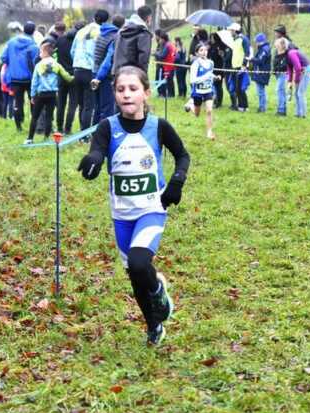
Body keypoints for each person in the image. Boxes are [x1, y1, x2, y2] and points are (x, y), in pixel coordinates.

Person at [76, 66, 190, 345]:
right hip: (122, 215)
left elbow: (183, 156)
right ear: (115, 95)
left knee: (140, 263)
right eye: (120, 89)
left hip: (152, 209)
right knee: (136, 276)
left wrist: (176, 182)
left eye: (133, 89)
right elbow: (98, 150)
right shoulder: (107, 127)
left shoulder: (159, 127)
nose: (126, 94)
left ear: (146, 93)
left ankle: (159, 291)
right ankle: (154, 325)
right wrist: (93, 160)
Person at [25, 42, 73, 144]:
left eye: (41, 51)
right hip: (52, 94)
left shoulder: (38, 65)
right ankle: (46, 138)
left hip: (40, 94)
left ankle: (30, 138)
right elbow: (67, 77)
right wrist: (74, 78)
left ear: (45, 52)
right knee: (49, 117)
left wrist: (32, 95)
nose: (39, 54)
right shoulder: (57, 64)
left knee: (35, 116)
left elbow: (34, 82)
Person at [72, 9, 108, 133]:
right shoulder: (102, 33)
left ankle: (82, 132)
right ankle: (85, 134)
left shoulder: (81, 31)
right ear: (105, 21)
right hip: (90, 70)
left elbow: (72, 51)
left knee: (81, 104)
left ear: (94, 17)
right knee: (89, 105)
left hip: (77, 69)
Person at [2, 21, 40, 131]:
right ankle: (34, 125)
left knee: (17, 102)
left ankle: (18, 126)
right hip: (29, 78)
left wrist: (12, 63)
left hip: (14, 78)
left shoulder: (11, 42)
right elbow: (36, 62)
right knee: (33, 100)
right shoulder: (34, 46)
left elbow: (3, 58)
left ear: (23, 29)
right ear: (33, 32)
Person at [92, 15, 126, 123]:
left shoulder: (102, 33)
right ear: (123, 25)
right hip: (104, 76)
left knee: (97, 106)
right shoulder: (114, 37)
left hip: (95, 72)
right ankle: (104, 135)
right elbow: (108, 60)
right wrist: (100, 77)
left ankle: (94, 133)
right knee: (107, 108)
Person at [275, 37, 310, 118]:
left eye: (278, 48)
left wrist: (296, 80)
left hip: (307, 70)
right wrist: (290, 81)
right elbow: (290, 69)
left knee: (300, 93)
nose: (277, 50)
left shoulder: (291, 53)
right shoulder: (286, 55)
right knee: (296, 93)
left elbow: (297, 67)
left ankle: (303, 114)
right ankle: (298, 113)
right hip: (301, 71)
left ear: (282, 47)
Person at [112, 5, 152, 74]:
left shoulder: (121, 31)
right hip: (132, 75)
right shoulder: (144, 33)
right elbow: (144, 58)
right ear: (148, 17)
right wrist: (143, 77)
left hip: (117, 73)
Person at [189, 43, 217, 139]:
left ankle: (209, 132)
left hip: (208, 90)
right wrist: (206, 77)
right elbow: (192, 80)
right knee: (197, 114)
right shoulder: (195, 64)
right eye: (201, 50)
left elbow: (210, 74)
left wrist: (215, 77)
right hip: (197, 92)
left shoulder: (211, 63)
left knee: (209, 110)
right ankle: (191, 107)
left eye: (205, 50)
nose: (204, 52)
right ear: (197, 53)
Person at [56, 21, 80, 133]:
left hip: (61, 74)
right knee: (73, 103)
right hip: (74, 74)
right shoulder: (78, 41)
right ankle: (67, 128)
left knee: (61, 103)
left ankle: (59, 127)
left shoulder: (60, 40)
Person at [228, 22, 251, 112]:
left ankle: (244, 106)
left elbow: (247, 53)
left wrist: (244, 65)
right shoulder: (235, 40)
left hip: (241, 67)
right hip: (234, 67)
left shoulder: (243, 39)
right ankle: (241, 106)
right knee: (236, 88)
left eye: (231, 31)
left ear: (235, 30)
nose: (230, 32)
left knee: (240, 88)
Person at [272, 25, 291, 115]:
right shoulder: (279, 41)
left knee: (279, 90)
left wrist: (279, 67)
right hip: (279, 70)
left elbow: (283, 58)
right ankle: (282, 109)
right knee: (280, 90)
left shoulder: (284, 42)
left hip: (283, 71)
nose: (275, 33)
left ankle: (281, 110)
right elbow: (277, 57)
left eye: (277, 32)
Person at [251, 33, 271, 113]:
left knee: (261, 91)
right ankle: (261, 106)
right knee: (259, 90)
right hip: (259, 72)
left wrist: (251, 59)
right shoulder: (262, 48)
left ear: (261, 41)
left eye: (257, 41)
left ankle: (262, 108)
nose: (256, 43)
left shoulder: (264, 49)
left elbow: (260, 61)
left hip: (262, 73)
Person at [154, 31, 176, 98]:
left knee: (169, 81)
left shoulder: (167, 45)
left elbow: (162, 56)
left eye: (160, 39)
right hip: (170, 65)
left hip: (168, 65)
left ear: (163, 39)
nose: (159, 41)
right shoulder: (170, 44)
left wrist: (155, 53)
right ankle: (171, 94)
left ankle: (170, 95)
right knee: (170, 81)